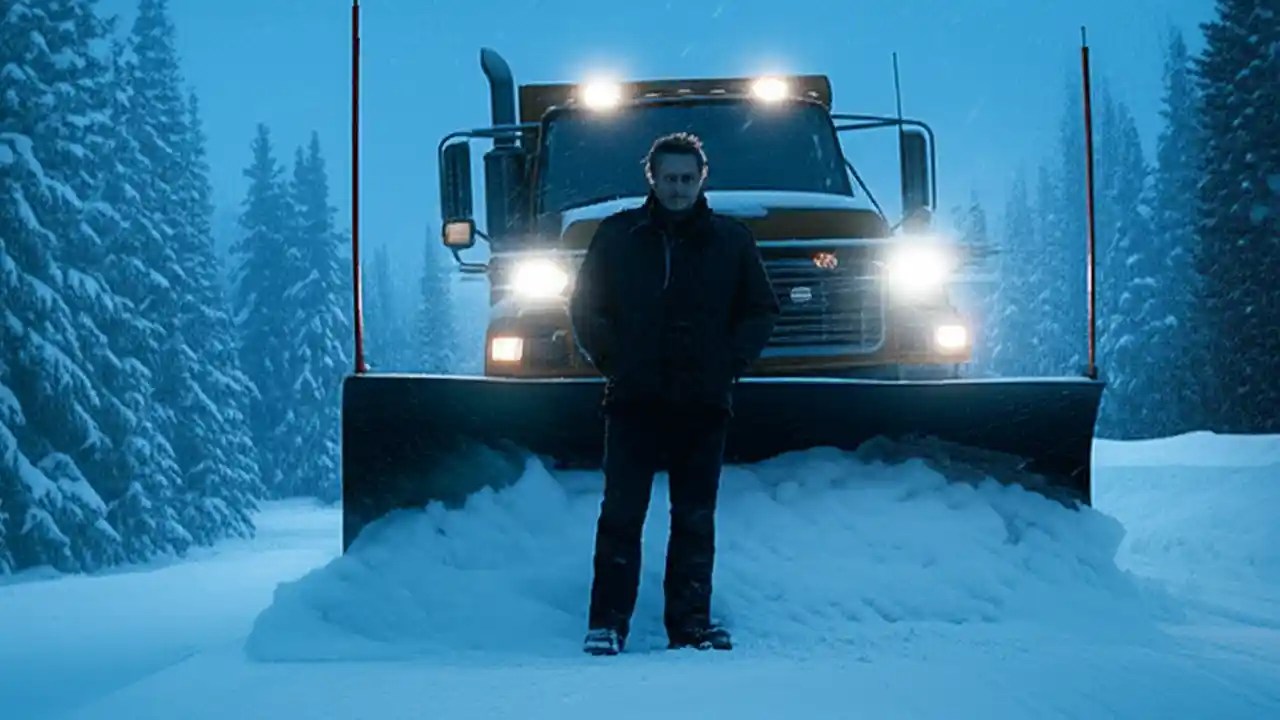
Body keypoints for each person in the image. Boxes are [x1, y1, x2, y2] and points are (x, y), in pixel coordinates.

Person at [568, 132, 780, 655]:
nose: (679, 188)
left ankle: (690, 626)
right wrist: (614, 362)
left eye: (688, 178)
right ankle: (607, 624)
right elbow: (585, 306)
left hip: (704, 404)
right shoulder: (618, 237)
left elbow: (760, 310)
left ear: (702, 178)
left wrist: (727, 364)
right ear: (653, 180)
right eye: (670, 179)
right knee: (621, 514)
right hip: (633, 401)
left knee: (694, 517)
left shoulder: (732, 242)